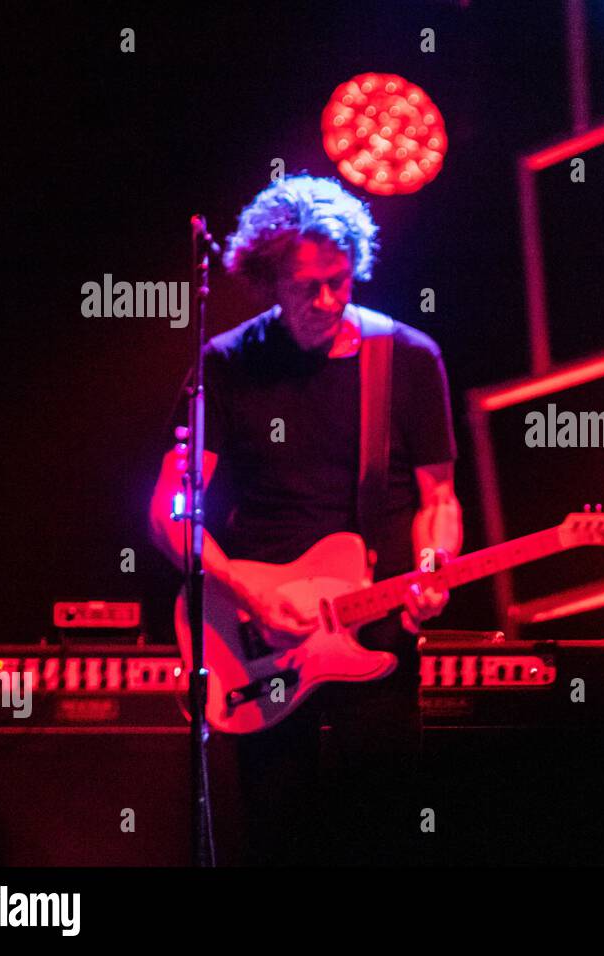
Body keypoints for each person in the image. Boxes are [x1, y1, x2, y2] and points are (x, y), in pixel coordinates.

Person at [148, 174, 462, 864]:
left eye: (339, 280)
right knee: (274, 834)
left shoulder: (406, 358)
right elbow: (174, 508)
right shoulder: (227, 363)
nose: (326, 300)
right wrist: (241, 588)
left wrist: (433, 569)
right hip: (260, 640)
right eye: (305, 286)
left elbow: (439, 498)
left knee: (380, 830)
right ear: (267, 279)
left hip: (375, 627)